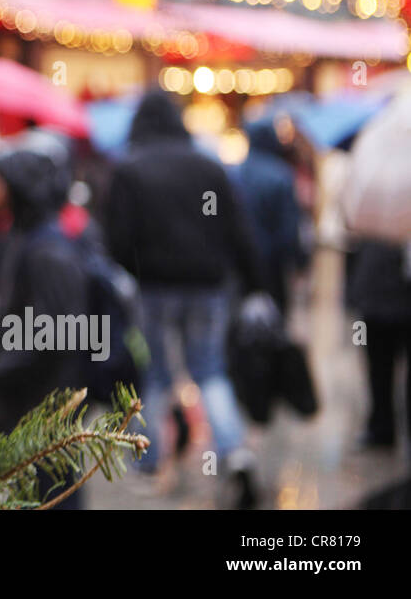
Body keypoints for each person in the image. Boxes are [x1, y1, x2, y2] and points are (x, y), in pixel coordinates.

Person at [103, 88, 263, 507]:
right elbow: (239, 231)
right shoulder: (209, 168)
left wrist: (137, 273)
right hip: (209, 286)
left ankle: (149, 461)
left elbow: (116, 240)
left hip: (155, 288)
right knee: (210, 371)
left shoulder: (130, 169)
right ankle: (235, 452)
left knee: (155, 375)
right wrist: (257, 285)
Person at [0, 141, 92, 508]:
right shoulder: (19, 238)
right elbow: (16, 315)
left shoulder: (48, 251)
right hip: (22, 402)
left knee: (51, 494)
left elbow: (53, 335)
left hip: (43, 406)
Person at [234, 116, 305, 312]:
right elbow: (289, 227)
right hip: (272, 264)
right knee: (274, 321)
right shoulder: (281, 175)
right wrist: (298, 261)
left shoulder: (234, 173)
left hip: (241, 265)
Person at [346, 239, 411, 451]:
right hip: (372, 306)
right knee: (376, 370)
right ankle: (381, 428)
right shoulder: (371, 218)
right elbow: (352, 254)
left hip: (398, 305)